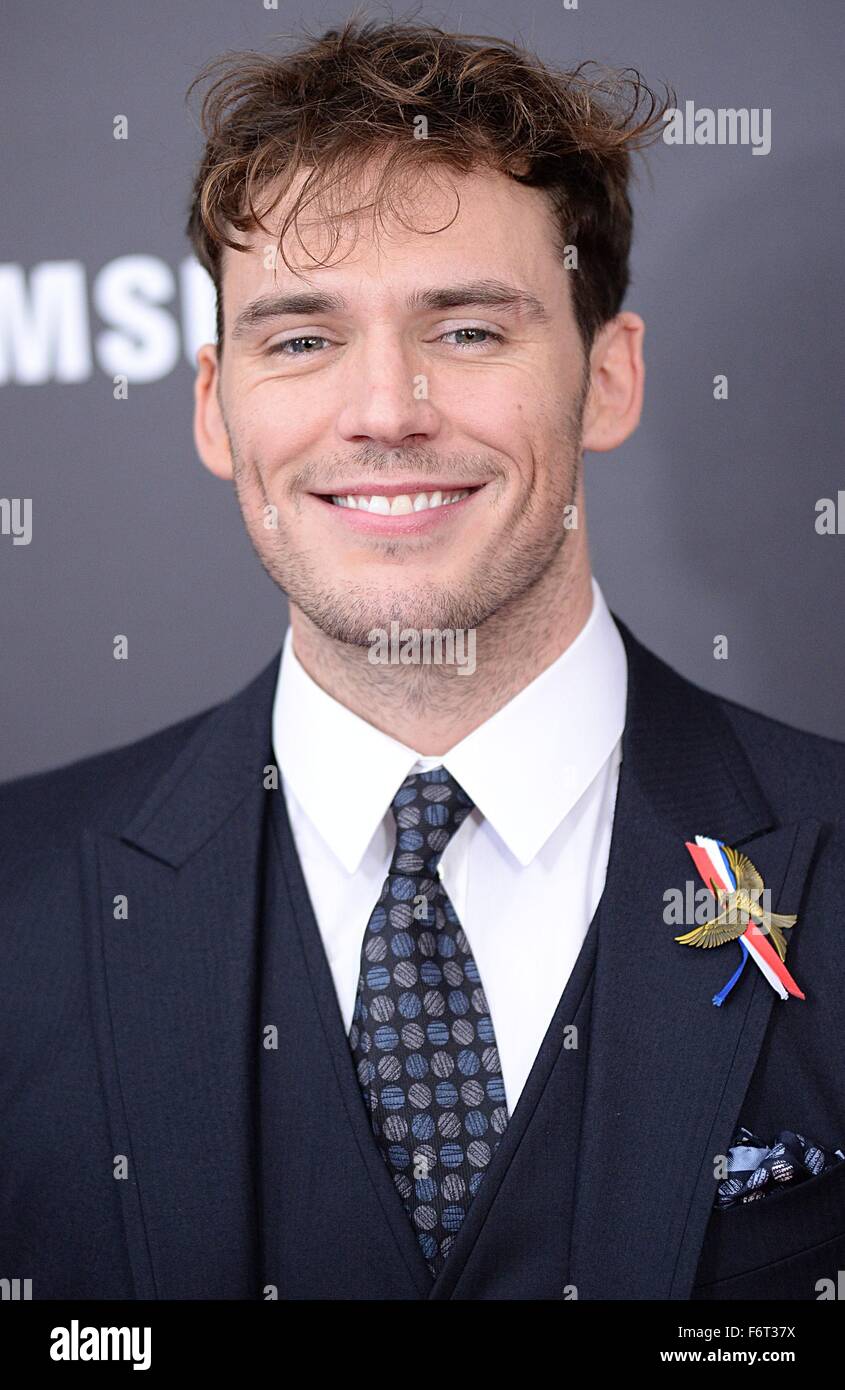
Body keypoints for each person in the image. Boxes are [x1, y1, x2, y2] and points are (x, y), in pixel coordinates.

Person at [2, 18, 845, 1302]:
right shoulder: (20, 902)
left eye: (465, 331)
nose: (385, 409)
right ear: (213, 407)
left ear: (607, 379)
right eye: (301, 338)